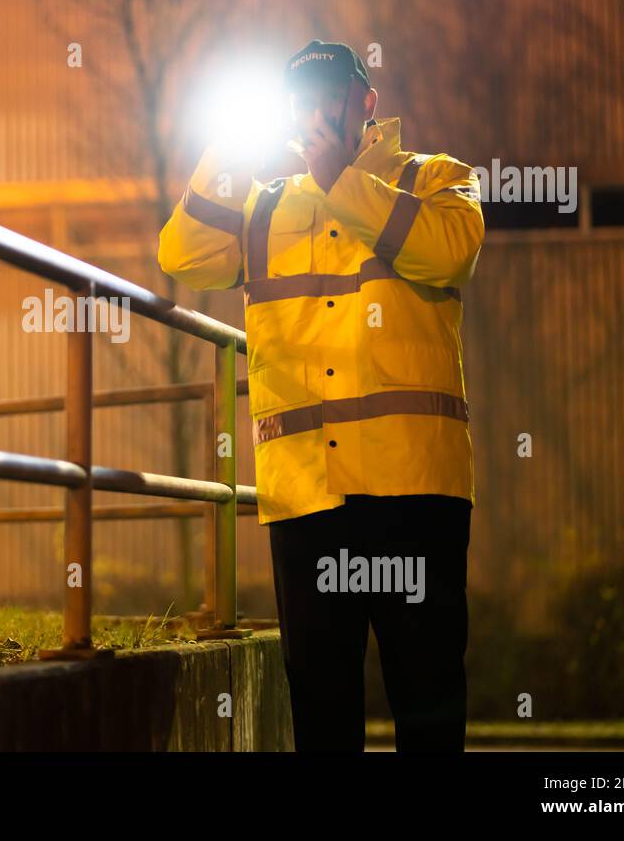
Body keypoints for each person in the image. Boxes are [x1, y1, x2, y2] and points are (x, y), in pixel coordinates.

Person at [158, 40, 485, 752]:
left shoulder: (434, 177)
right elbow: (181, 256)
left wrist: (342, 181)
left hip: (414, 493)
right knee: (322, 714)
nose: (310, 113)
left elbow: (447, 250)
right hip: (307, 497)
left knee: (428, 701)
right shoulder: (264, 201)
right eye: (297, 100)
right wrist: (229, 149)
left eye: (325, 97)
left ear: (365, 103)